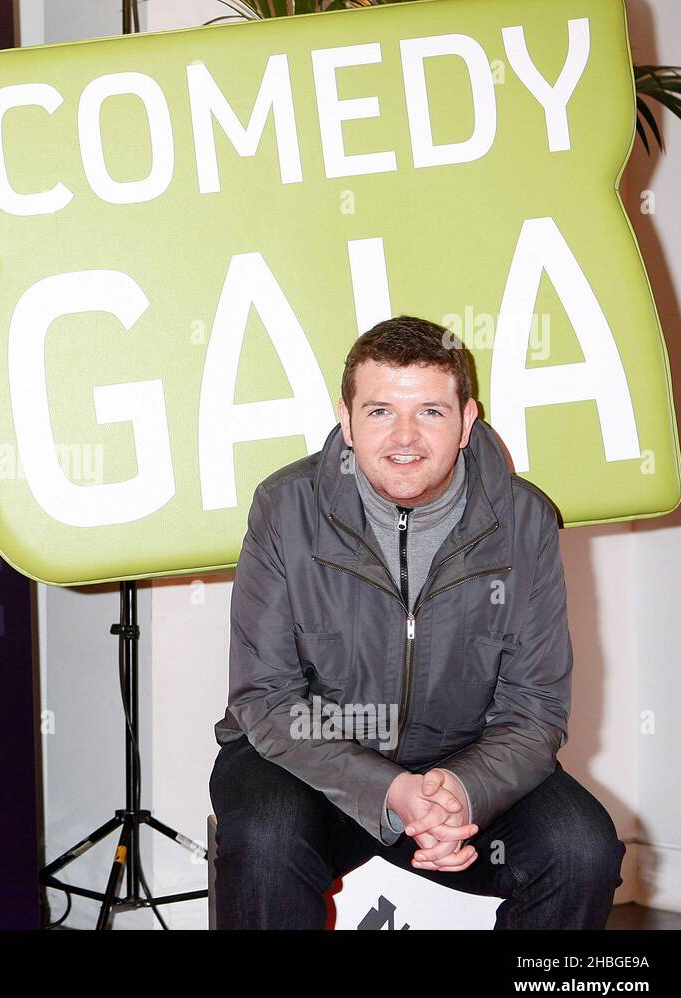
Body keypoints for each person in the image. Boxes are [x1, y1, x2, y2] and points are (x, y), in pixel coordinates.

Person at [209, 315, 625, 929]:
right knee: (267, 842)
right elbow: (267, 700)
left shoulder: (526, 519)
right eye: (379, 412)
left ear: (467, 421)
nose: (404, 437)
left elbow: (535, 708)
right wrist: (389, 791)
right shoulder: (284, 506)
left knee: (580, 850)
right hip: (307, 764)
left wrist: (460, 789)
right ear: (346, 421)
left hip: (463, 763)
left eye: (430, 411)